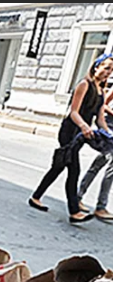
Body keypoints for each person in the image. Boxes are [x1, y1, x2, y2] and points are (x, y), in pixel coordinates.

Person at [30, 54, 113, 223]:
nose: (108, 72)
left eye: (111, 70)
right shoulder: (84, 84)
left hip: (81, 135)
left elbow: (100, 119)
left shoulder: (101, 91)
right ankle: (74, 211)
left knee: (58, 167)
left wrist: (109, 134)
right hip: (70, 131)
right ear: (96, 66)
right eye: (106, 68)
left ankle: (35, 197)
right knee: (73, 170)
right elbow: (73, 112)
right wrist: (84, 125)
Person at [77, 80, 113, 222]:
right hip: (110, 128)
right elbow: (103, 104)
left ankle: (78, 196)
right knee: (110, 167)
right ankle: (100, 207)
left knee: (99, 164)